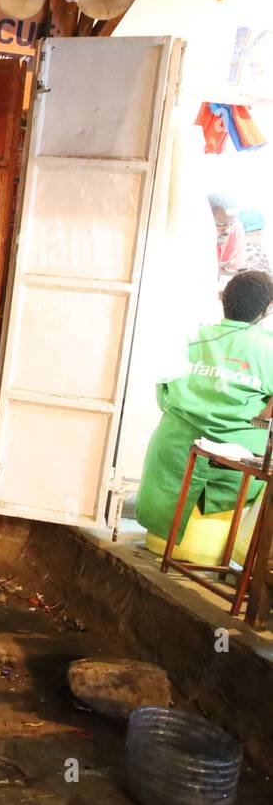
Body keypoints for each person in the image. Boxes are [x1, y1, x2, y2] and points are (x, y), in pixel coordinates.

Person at [137, 271, 273, 545]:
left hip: (171, 458)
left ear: (224, 299)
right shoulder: (268, 348)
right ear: (266, 310)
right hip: (235, 472)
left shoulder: (191, 338)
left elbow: (164, 397)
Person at [210, 192, 247, 289]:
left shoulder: (236, 229)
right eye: (221, 224)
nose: (228, 230)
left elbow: (236, 274)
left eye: (231, 224)